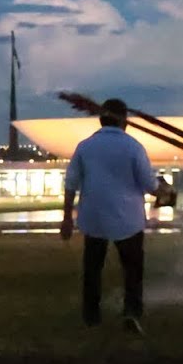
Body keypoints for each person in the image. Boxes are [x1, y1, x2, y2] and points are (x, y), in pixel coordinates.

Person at [60, 99, 166, 335]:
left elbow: (71, 184)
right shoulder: (133, 147)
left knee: (92, 269)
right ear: (123, 120)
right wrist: (163, 190)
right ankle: (131, 312)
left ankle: (91, 316)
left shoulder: (85, 147)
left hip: (93, 216)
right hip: (127, 218)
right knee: (133, 269)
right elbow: (149, 184)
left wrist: (67, 218)